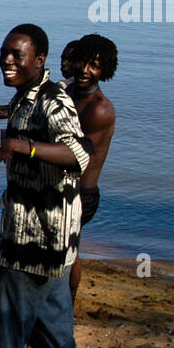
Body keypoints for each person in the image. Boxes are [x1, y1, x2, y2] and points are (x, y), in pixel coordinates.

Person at [0, 24, 94, 348]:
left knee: (4, 321)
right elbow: (25, 142)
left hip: (30, 241)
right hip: (57, 245)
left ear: (39, 60)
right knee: (55, 319)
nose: (7, 61)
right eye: (4, 52)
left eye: (17, 55)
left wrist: (19, 146)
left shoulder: (53, 100)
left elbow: (78, 155)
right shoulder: (26, 98)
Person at [64, 34, 117, 302]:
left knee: (69, 251)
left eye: (94, 65)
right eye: (82, 62)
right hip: (60, 184)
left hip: (80, 193)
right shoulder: (68, 91)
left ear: (105, 70)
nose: (86, 70)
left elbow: (76, 156)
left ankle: (68, 307)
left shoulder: (100, 110)